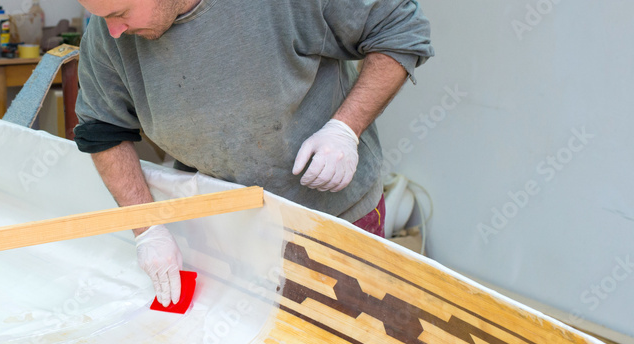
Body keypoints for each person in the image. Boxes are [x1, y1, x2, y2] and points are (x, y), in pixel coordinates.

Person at [73, 0, 434, 307]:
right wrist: (147, 227)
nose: (114, 31)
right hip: (223, 232)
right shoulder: (107, 34)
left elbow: (399, 31)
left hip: (333, 220)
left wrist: (346, 128)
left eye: (120, 13)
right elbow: (102, 130)